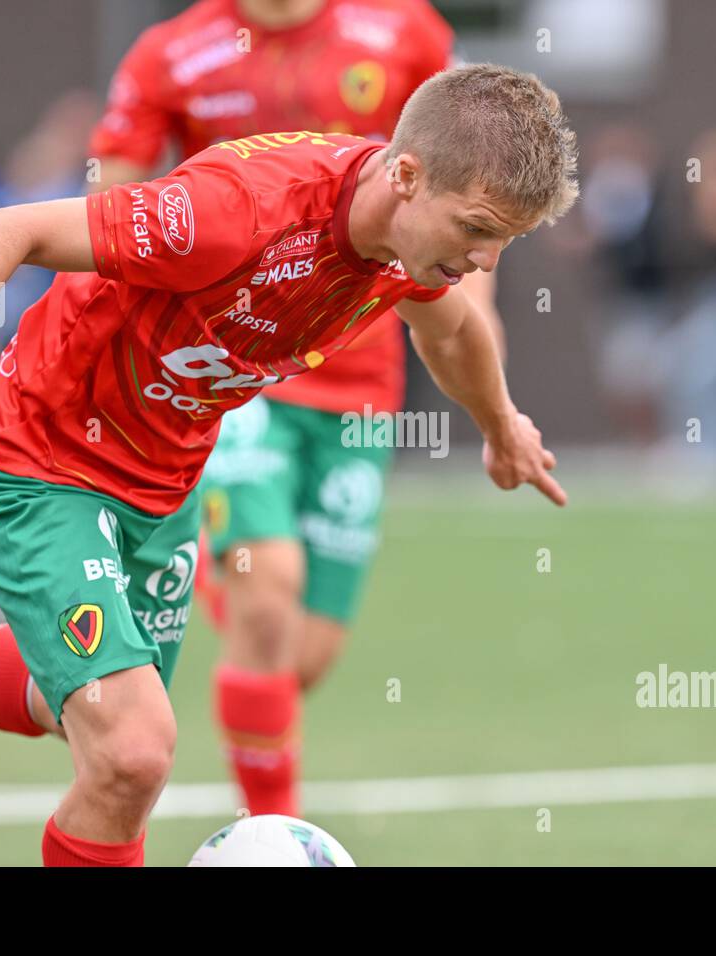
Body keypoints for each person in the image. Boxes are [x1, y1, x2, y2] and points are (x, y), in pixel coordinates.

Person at [0, 64, 578, 867]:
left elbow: (454, 334)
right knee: (131, 754)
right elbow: (3, 232)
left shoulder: (407, 240)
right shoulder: (235, 211)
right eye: (477, 229)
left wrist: (502, 427)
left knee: (67, 698)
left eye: (505, 241)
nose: (488, 259)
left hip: (163, 480)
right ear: (406, 176)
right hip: (38, 454)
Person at [88, 0, 504, 817]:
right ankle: (275, 833)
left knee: (300, 655)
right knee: (269, 594)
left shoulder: (406, 30)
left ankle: (204, 562)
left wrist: (479, 328)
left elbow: (473, 187)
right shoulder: (169, 54)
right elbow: (112, 201)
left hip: (361, 368)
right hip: (234, 360)